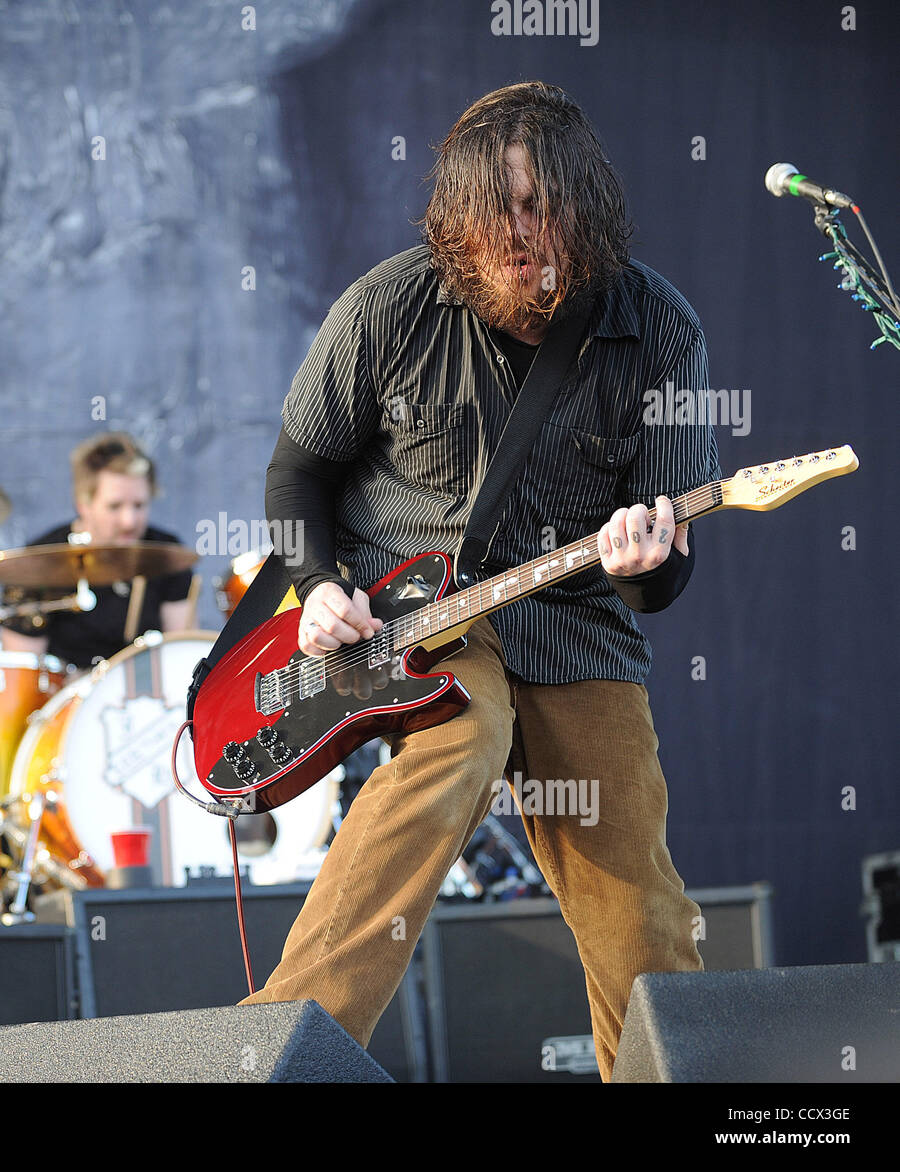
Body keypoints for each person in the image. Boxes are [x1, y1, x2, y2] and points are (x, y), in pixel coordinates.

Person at [237, 81, 720, 1081]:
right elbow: (296, 474)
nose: (517, 234)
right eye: (493, 210)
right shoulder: (388, 305)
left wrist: (645, 562)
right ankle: (273, 1051)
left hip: (576, 623)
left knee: (638, 911)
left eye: (537, 205)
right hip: (417, 616)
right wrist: (317, 582)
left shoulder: (659, 330)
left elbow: (663, 577)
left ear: (582, 203)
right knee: (459, 743)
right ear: (457, 215)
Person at [0, 432, 196, 668]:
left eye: (139, 505)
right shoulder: (37, 564)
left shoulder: (167, 555)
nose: (129, 521)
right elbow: (24, 673)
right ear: (83, 504)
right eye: (115, 506)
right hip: (72, 689)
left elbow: (182, 657)